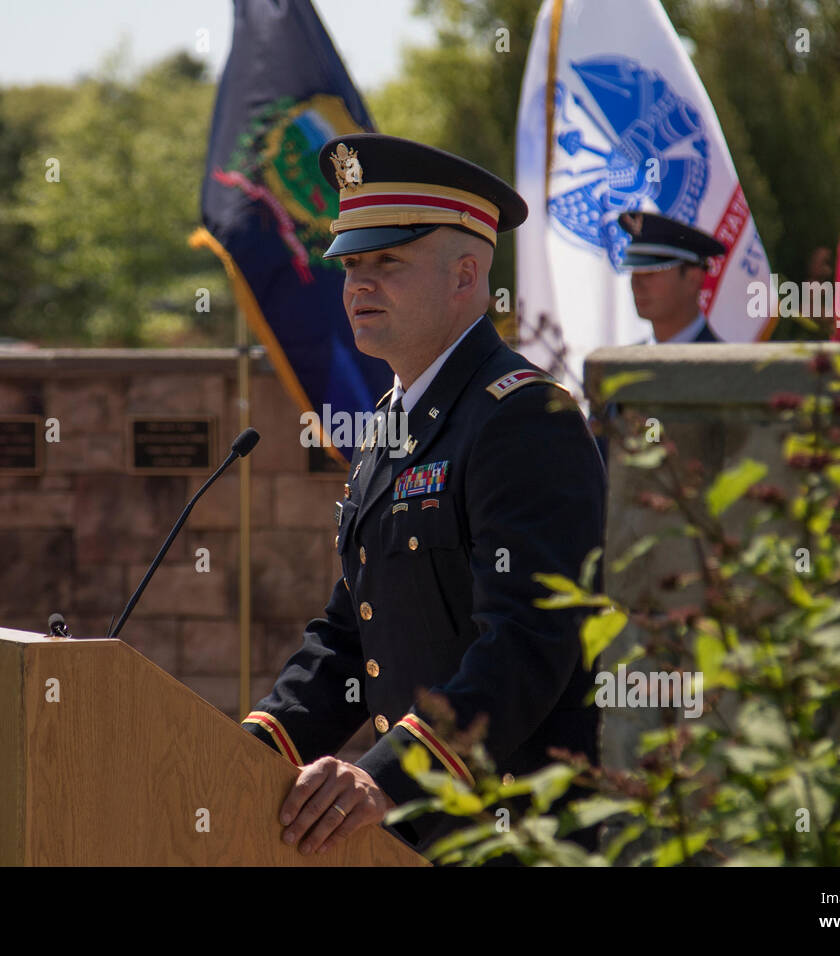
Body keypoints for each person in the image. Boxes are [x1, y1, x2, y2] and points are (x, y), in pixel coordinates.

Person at [240, 133, 607, 860]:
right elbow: (351, 631)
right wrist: (254, 747)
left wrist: (387, 779)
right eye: (351, 265)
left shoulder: (526, 418)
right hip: (415, 837)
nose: (358, 284)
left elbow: (530, 640)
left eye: (388, 261)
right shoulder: (396, 421)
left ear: (465, 274)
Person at [618, 211, 727, 343]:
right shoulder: (623, 362)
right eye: (635, 272)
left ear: (693, 278)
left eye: (650, 272)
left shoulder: (724, 362)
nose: (637, 284)